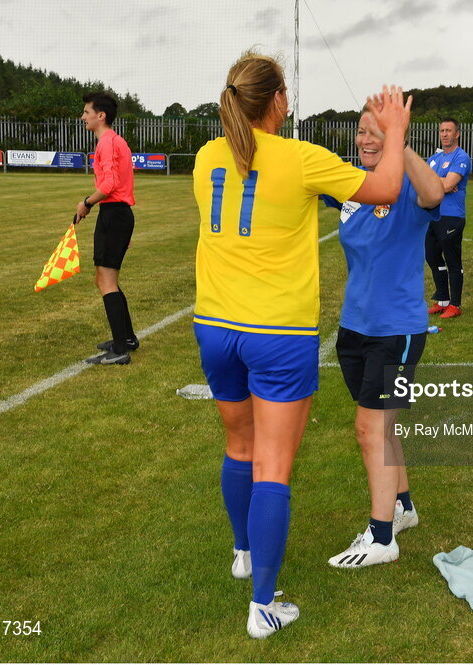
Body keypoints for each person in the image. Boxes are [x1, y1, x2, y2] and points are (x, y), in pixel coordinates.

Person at [192, 50, 411, 638]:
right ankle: (263, 606)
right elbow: (387, 186)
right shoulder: (301, 157)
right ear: (279, 101)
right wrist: (395, 132)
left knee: (239, 446)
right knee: (273, 466)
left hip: (214, 326)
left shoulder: (206, 156)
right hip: (277, 333)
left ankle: (243, 553)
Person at [322, 107, 443, 568]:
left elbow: (434, 192)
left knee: (369, 428)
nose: (366, 141)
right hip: (354, 327)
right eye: (362, 132)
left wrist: (399, 140)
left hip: (397, 330)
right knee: (382, 427)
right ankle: (404, 507)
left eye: (376, 133)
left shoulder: (411, 183)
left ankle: (381, 538)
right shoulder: (355, 184)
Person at [72, 91, 138, 366]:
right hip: (117, 215)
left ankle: (120, 348)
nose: (83, 116)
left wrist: (86, 203)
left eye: (87, 112)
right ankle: (128, 338)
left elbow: (109, 184)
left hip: (114, 214)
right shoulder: (113, 141)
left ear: (101, 116)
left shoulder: (107, 142)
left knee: (106, 280)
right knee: (104, 278)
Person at [425, 117, 470, 319]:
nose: (444, 134)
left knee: (452, 260)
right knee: (432, 256)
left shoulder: (461, 157)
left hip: (451, 216)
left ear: (457, 133)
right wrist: (443, 183)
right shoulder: (433, 158)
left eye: (448, 130)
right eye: (442, 130)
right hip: (431, 214)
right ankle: (442, 300)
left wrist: (441, 183)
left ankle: (455, 304)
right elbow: (421, 181)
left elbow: (443, 185)